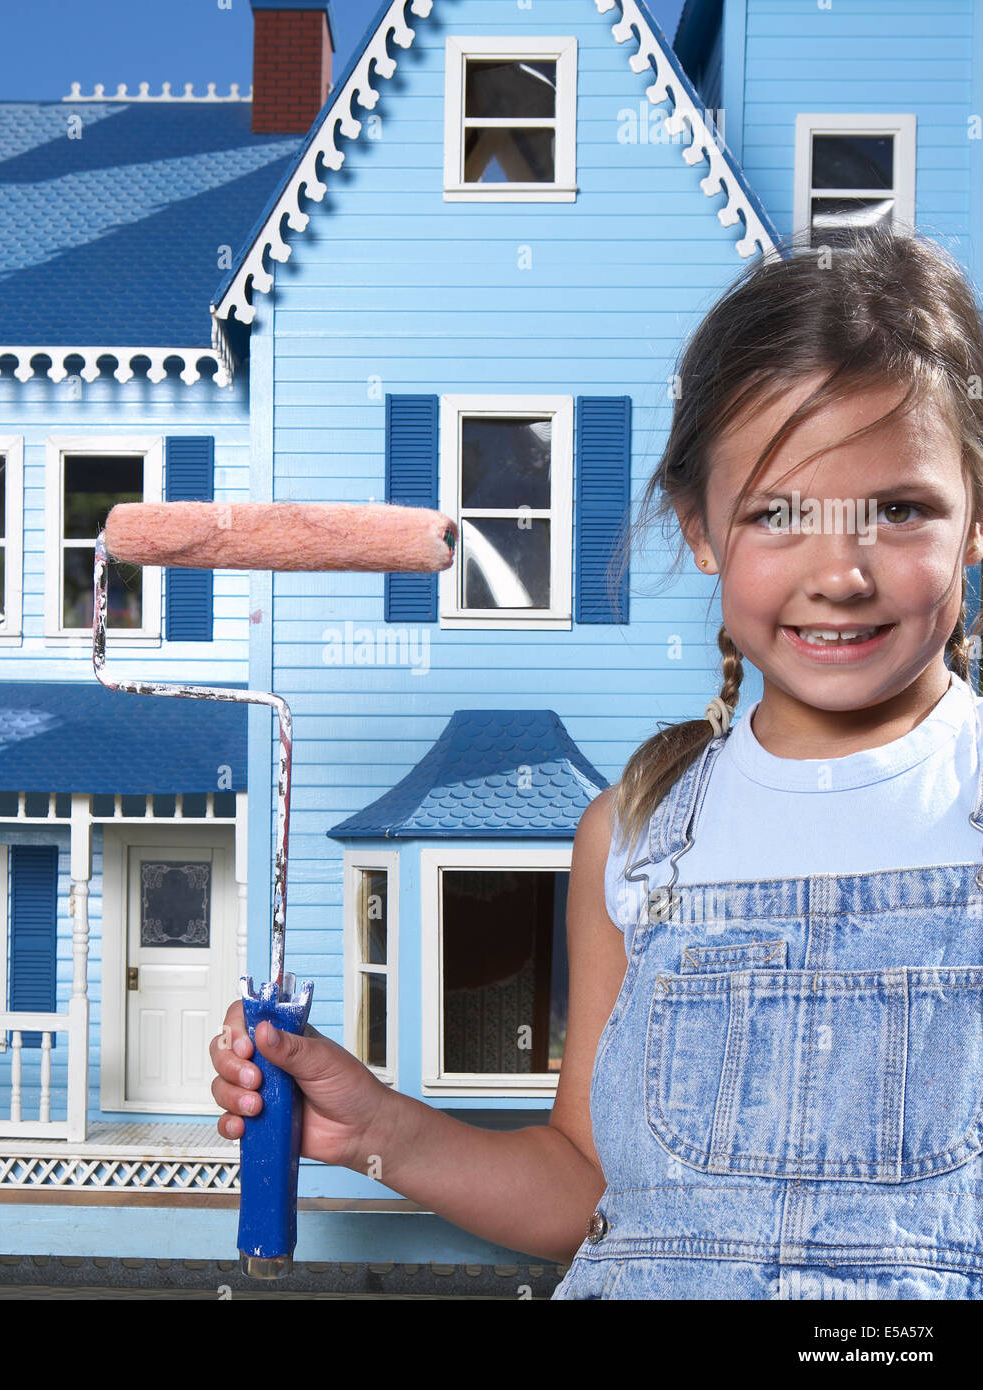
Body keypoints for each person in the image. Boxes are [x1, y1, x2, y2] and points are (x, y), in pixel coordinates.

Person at [211, 224, 983, 1299]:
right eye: (776, 514)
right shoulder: (633, 835)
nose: (840, 573)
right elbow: (585, 1191)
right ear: (699, 529)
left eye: (897, 510)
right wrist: (376, 1129)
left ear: (975, 517)